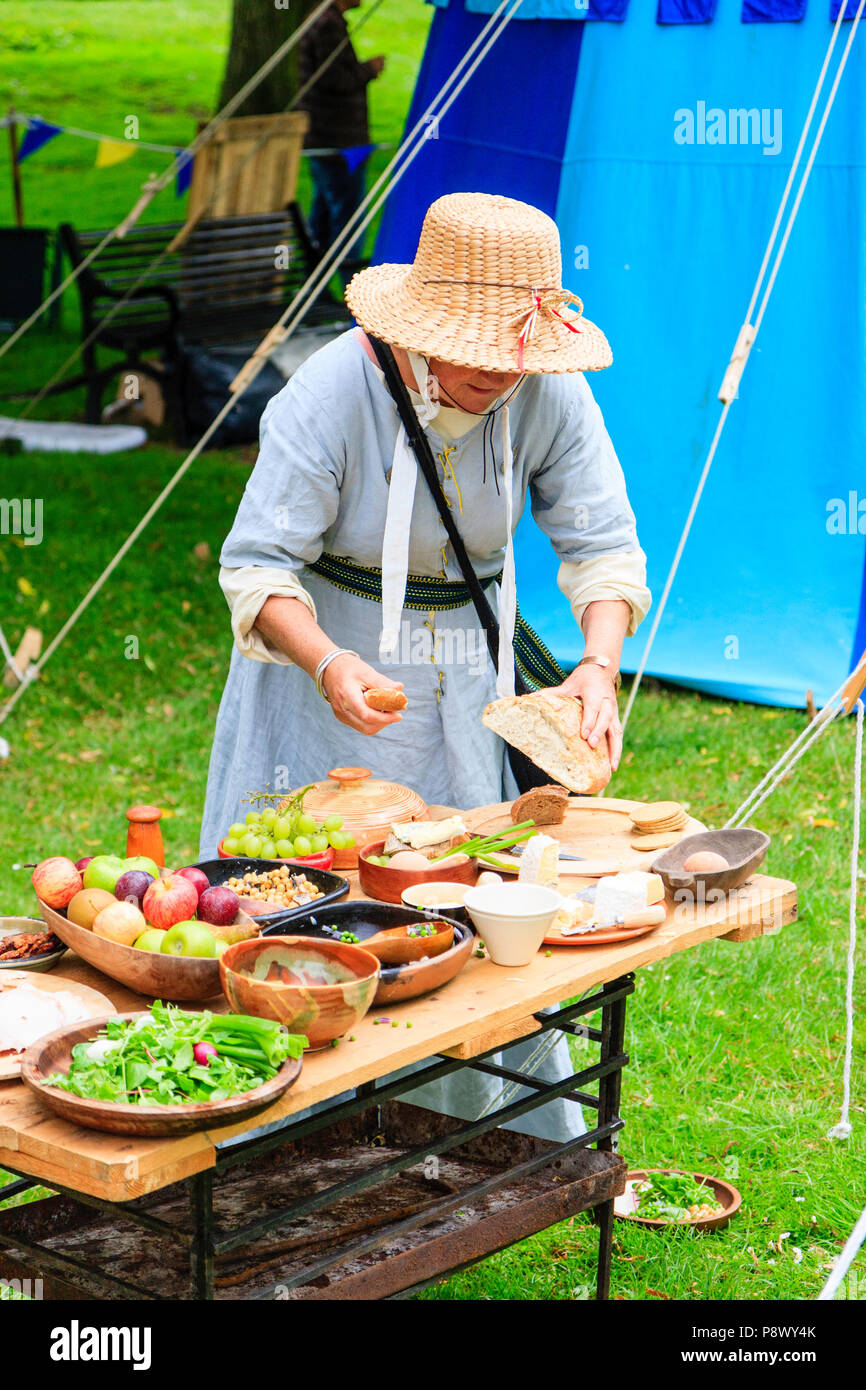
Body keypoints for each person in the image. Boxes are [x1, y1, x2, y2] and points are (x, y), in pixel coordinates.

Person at [201, 191, 651, 1140]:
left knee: (462, 900)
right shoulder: (330, 391)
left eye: (515, 356)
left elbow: (603, 542)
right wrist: (329, 664)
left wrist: (597, 672)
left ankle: (462, 1138)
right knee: (314, 892)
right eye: (478, 351)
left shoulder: (547, 387)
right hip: (324, 676)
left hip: (466, 675)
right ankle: (285, 1140)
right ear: (424, 329)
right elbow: (256, 566)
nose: (501, 374)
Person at [299, 0, 385, 265]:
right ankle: (350, 285)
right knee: (347, 222)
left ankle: (316, 284)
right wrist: (369, 70)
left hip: (329, 139)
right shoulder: (327, 26)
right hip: (336, 142)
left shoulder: (326, 21)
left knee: (324, 214)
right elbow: (335, 80)